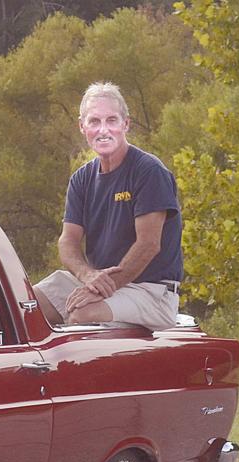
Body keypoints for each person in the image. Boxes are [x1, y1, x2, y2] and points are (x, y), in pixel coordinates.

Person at [34, 82, 183, 331]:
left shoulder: (149, 171)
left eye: (111, 120)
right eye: (94, 122)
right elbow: (68, 241)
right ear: (82, 127)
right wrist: (88, 276)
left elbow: (149, 244)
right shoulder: (81, 179)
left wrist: (104, 287)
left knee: (84, 314)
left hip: (151, 292)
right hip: (99, 282)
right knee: (26, 306)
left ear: (126, 124)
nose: (104, 130)